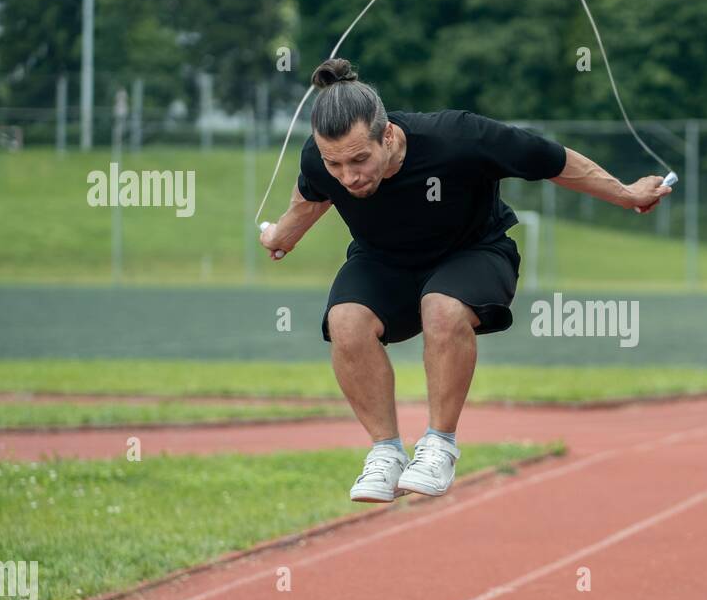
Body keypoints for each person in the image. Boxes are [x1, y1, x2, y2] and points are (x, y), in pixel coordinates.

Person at [259, 58, 673, 502]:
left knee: (442, 307)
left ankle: (439, 445)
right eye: (336, 164)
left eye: (360, 159)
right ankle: (386, 452)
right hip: (384, 261)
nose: (349, 176)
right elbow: (311, 197)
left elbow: (553, 160)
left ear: (389, 135)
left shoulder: (457, 137)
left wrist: (626, 194)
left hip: (474, 251)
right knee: (345, 321)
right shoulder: (322, 159)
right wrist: (282, 236)